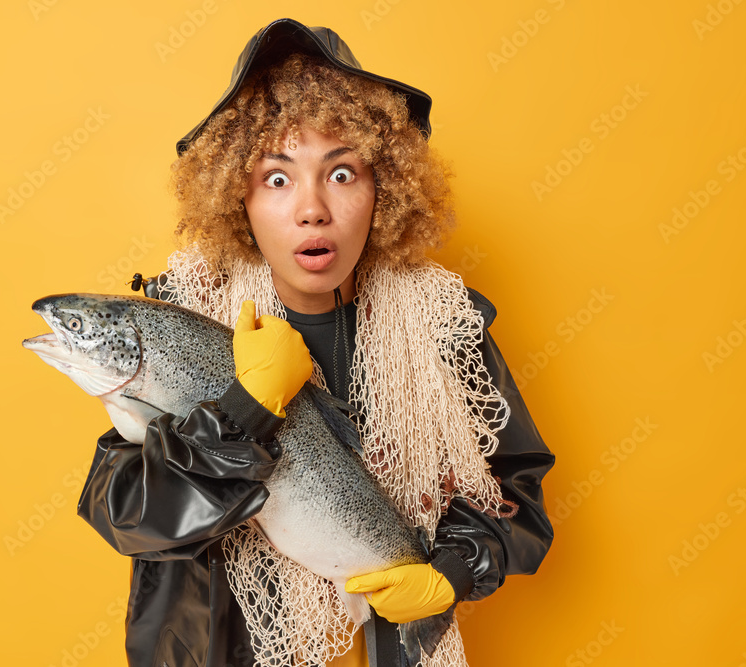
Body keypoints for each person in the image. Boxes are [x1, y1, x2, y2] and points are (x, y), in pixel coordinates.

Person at [77, 18, 554, 667]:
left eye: (342, 174)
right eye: (277, 178)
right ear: (233, 193)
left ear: (384, 187)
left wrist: (451, 571)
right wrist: (244, 405)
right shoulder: (180, 321)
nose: (311, 209)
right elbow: (127, 512)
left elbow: (514, 493)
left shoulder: (444, 325)